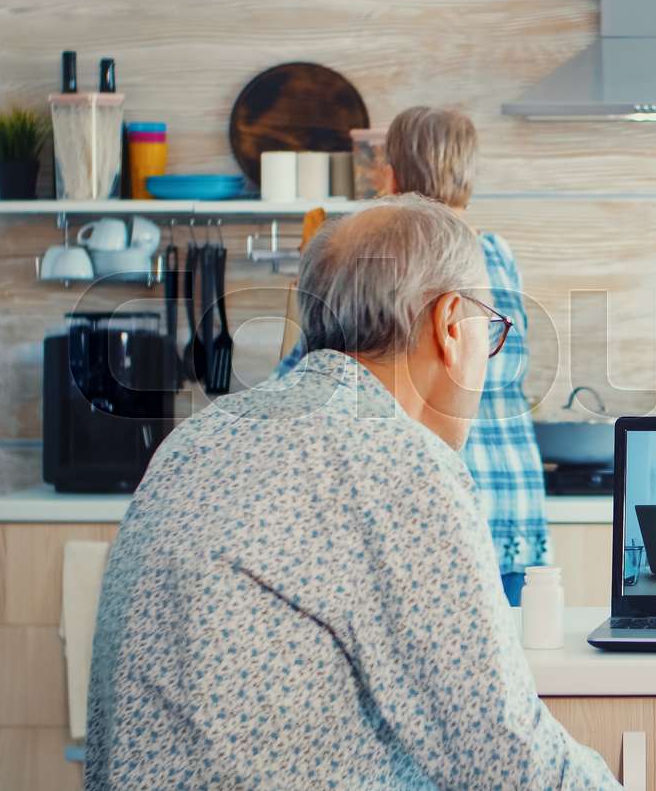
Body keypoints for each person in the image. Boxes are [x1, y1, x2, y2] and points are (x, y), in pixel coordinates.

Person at [87, 199, 618, 789]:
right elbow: (507, 758)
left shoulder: (196, 440)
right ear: (448, 325)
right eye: (488, 328)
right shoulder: (402, 465)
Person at [277, 106, 549, 605]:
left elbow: (300, 380)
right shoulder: (499, 256)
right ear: (468, 173)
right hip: (513, 499)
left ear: (393, 176)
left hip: (430, 507)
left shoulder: (386, 265)